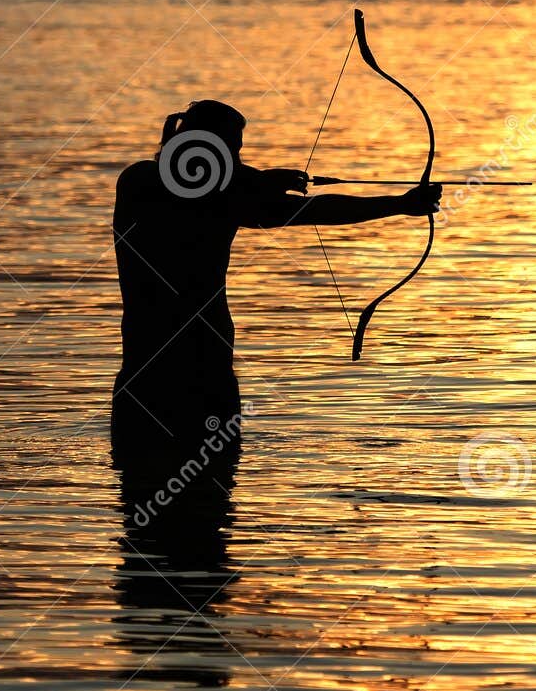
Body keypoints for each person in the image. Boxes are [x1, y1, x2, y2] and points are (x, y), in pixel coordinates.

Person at [111, 98, 441, 471]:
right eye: (230, 149)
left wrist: (399, 204)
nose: (235, 158)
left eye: (236, 151)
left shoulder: (228, 199)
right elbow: (191, 188)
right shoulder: (141, 183)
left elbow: (318, 209)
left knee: (202, 501)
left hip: (206, 371)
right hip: (155, 376)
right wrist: (257, 179)